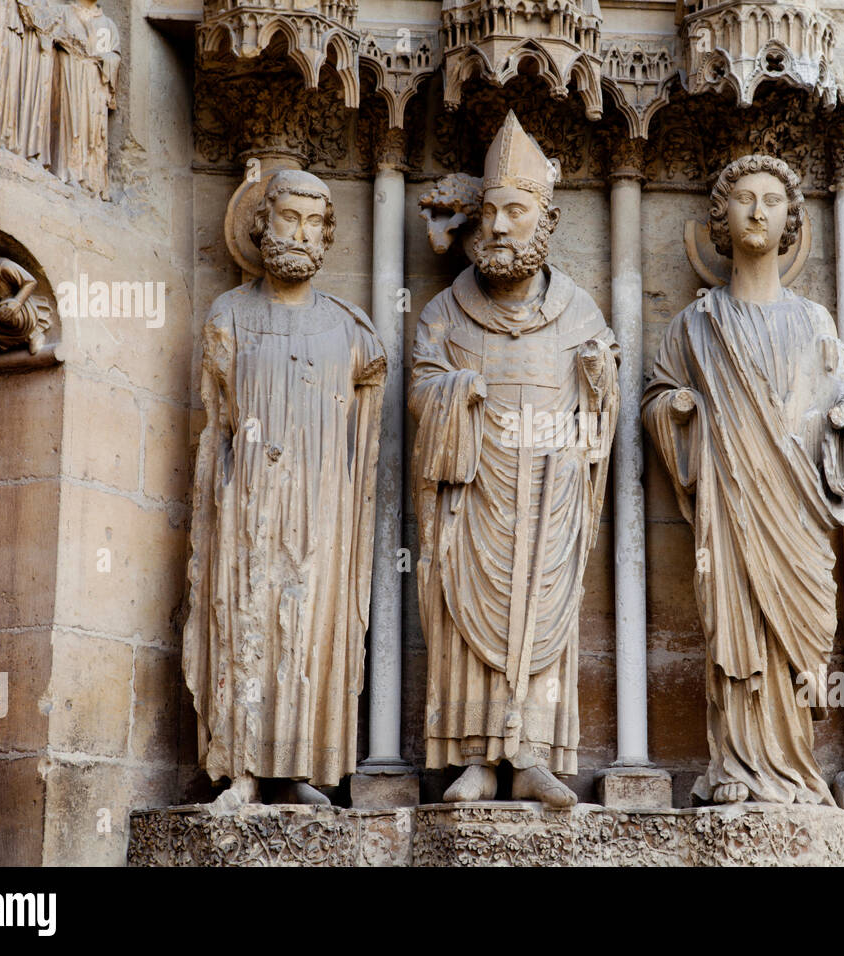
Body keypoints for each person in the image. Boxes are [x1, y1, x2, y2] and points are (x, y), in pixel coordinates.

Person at [642, 154, 844, 805]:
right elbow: (658, 398)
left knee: (797, 638)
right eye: (744, 198)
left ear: (794, 219)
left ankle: (794, 768)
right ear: (721, 217)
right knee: (733, 635)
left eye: (772, 199)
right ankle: (737, 767)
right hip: (731, 515)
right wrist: (679, 413)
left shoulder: (815, 322)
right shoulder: (695, 326)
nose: (759, 210)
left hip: (797, 518)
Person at [410, 112, 619, 807]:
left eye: (516, 212)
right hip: (474, 493)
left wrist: (598, 385)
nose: (500, 227)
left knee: (549, 613)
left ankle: (533, 753)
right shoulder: (443, 311)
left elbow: (602, 409)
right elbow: (419, 388)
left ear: (547, 220)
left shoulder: (580, 313)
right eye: (491, 212)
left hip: (551, 492)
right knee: (464, 614)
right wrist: (456, 393)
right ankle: (474, 756)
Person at [184, 170, 386, 810]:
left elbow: (366, 444)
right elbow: (215, 425)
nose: (297, 233)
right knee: (245, 619)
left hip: (322, 507)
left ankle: (298, 763)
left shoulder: (354, 334)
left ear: (326, 236)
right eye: (285, 218)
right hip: (246, 503)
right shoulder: (229, 316)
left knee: (307, 626)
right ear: (261, 225)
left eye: (310, 223)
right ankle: (241, 764)